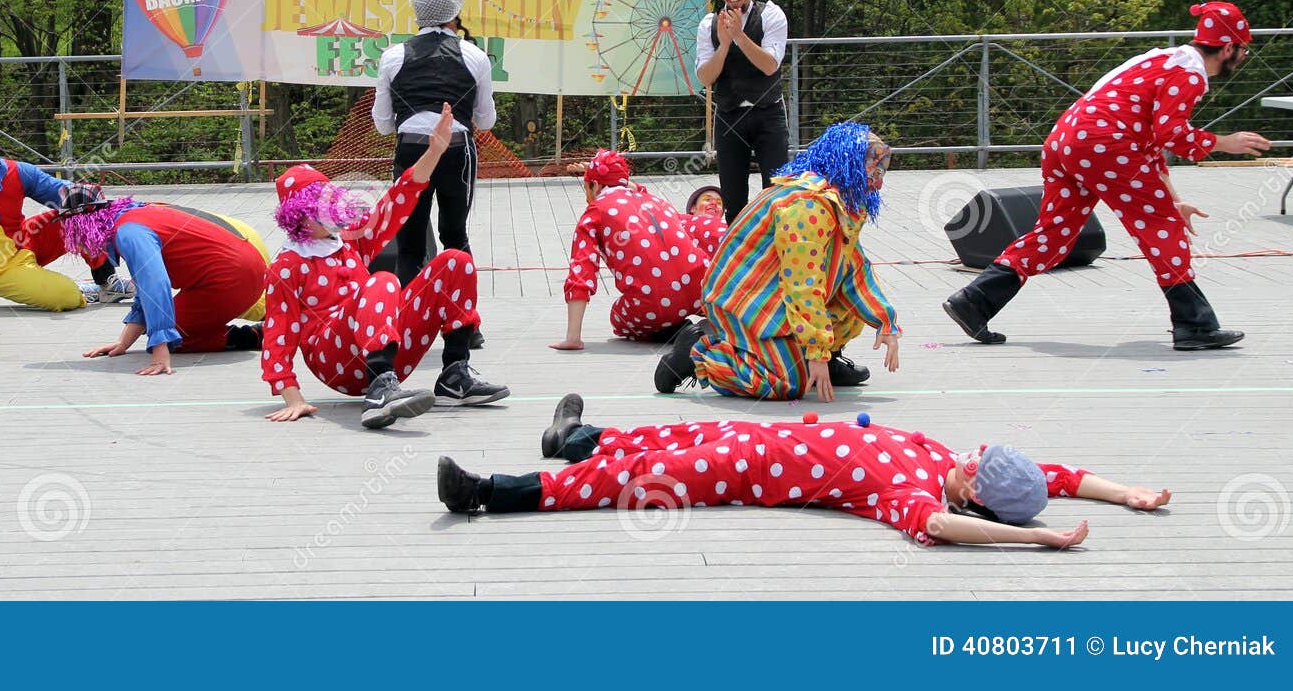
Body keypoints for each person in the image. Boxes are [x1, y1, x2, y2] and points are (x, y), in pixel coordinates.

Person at [943, 1, 1272, 352]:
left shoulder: (1164, 60)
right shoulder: (1188, 74)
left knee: (1055, 235)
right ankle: (1195, 325)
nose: (1244, 55)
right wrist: (1224, 142)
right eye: (1243, 48)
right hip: (1105, 145)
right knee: (1161, 226)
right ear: (1227, 48)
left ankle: (973, 302)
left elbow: (1148, 142)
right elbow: (1170, 134)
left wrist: (1174, 199)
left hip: (1066, 141)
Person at [437, 394, 1171, 549]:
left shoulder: (913, 493)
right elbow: (1059, 475)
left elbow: (940, 528)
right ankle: (581, 438)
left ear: (977, 491)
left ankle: (493, 495)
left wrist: (1040, 541)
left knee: (647, 475)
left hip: (753, 472)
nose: (974, 451)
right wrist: (1125, 491)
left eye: (982, 463)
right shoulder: (947, 463)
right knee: (677, 430)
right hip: (775, 435)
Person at [262, 104, 510, 429]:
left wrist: (434, 151)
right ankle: (379, 390)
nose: (327, 214)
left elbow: (399, 199)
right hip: (336, 363)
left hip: (389, 346)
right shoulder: (287, 264)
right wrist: (292, 397)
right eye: (316, 209)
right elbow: (278, 332)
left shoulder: (350, 239)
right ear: (296, 216)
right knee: (383, 280)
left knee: (456, 261)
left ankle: (454, 374)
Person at [654, 121, 899, 399]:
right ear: (846, 163)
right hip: (745, 298)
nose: (878, 180)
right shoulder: (808, 206)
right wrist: (816, 350)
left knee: (850, 306)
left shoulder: (839, 202)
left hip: (775, 293)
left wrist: (884, 321)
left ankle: (825, 361)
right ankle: (702, 349)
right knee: (785, 383)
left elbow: (853, 269)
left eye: (882, 169)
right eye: (872, 168)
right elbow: (802, 285)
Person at [0, 112, 133, 311]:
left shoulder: (16, 171)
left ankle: (107, 281)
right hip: (0, 269)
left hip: (27, 239)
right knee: (67, 297)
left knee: (81, 207)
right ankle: (79, 289)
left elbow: (57, 190)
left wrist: (92, 197)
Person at [373, 0, 497, 287]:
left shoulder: (392, 56)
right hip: (457, 150)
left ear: (417, 17)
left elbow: (383, 124)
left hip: (411, 151)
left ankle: (404, 323)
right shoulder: (475, 56)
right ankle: (467, 328)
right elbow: (486, 120)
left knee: (410, 241)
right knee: (455, 236)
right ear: (454, 17)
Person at [59, 198, 270, 376]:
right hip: (246, 263)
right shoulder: (130, 217)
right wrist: (123, 343)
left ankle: (253, 336)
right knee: (165, 329)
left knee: (173, 338)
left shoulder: (128, 233)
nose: (78, 248)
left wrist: (160, 351)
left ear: (86, 227)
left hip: (235, 276)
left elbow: (155, 284)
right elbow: (145, 289)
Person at [549, 150, 711, 350]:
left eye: (586, 189)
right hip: (701, 290)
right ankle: (719, 318)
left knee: (618, 317)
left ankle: (669, 328)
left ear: (596, 186)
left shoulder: (596, 212)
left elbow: (581, 270)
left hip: (654, 304)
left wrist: (573, 337)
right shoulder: (655, 201)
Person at [694, 0, 790, 222]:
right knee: (733, 199)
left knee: (777, 195)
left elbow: (770, 65)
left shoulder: (772, 15)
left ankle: (776, 255)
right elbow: (705, 78)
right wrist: (724, 44)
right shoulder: (708, 25)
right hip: (729, 114)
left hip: (768, 113)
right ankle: (740, 259)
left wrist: (739, 35)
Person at [682, 184, 728, 256]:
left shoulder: (731, 228)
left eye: (719, 203)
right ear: (693, 208)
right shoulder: (679, 225)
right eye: (707, 199)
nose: (714, 203)